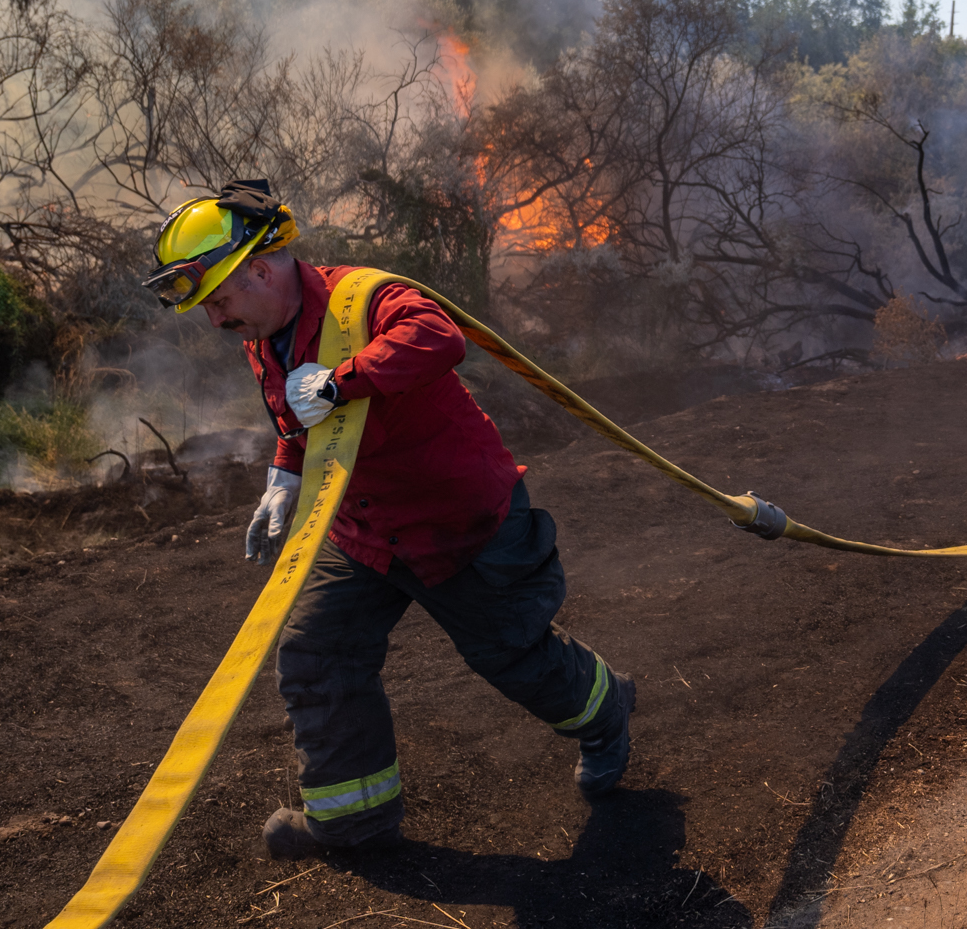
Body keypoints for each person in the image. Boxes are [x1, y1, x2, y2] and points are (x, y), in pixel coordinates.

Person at [143, 180, 635, 861]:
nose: (214, 320)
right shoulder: (264, 334)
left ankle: (606, 712)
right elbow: (301, 416)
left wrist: (340, 380)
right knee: (317, 654)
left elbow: (436, 336)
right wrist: (284, 475)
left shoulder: (362, 298)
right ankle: (355, 824)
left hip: (457, 523)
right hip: (364, 532)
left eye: (219, 301)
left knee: (514, 657)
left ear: (259, 270)